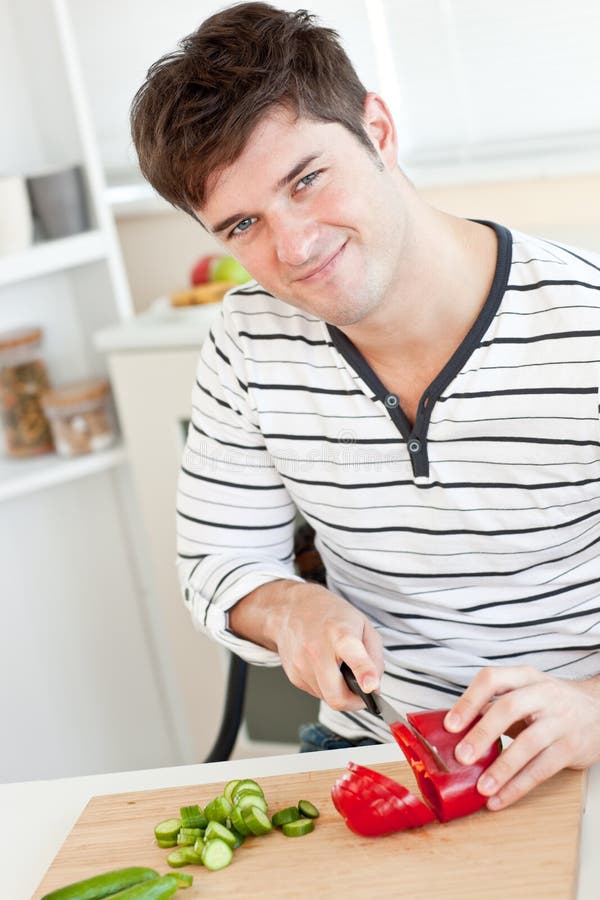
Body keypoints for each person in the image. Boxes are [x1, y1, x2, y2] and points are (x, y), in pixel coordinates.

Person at [130, 1, 600, 810]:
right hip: (377, 752)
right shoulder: (248, 340)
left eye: (307, 179)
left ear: (377, 130)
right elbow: (217, 561)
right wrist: (290, 609)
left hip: (574, 756)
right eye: (244, 223)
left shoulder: (585, 324)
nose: (295, 247)